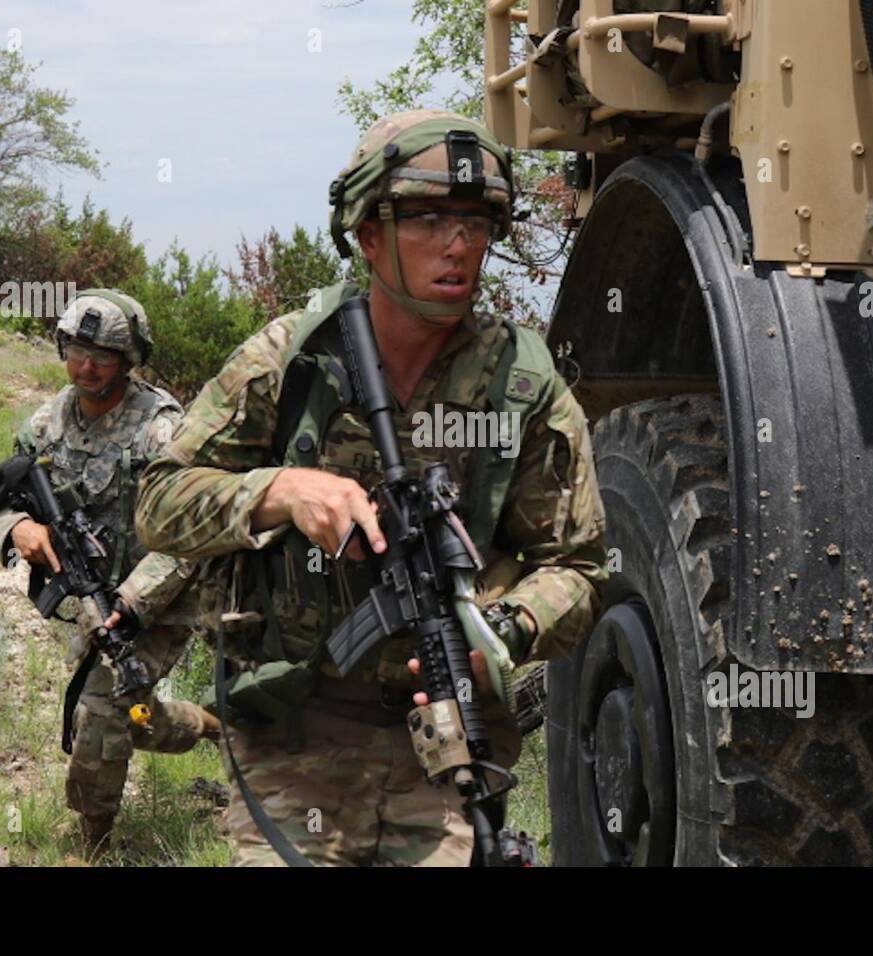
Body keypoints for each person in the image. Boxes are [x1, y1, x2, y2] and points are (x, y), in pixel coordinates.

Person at [135, 110, 607, 866]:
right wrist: (279, 489)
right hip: (297, 725)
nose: (457, 245)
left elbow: (580, 567)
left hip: (448, 736)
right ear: (367, 234)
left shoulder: (521, 384)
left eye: (476, 223)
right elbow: (158, 503)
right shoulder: (292, 361)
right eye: (425, 219)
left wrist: (505, 632)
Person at [0, 289, 219, 854]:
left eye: (103, 355)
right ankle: (211, 726)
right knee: (133, 718)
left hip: (161, 599)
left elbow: (193, 533)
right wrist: (18, 530)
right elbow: (1, 502)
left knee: (98, 710)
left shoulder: (161, 430)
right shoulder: (45, 424)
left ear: (129, 359)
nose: (86, 366)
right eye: (76, 350)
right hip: (91, 599)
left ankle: (91, 845)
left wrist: (134, 601)